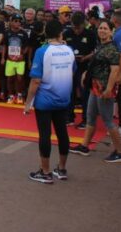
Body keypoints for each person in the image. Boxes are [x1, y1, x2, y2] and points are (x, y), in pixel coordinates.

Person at [24, 20, 76, 183]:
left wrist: (28, 102)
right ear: (60, 33)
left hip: (45, 100)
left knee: (45, 134)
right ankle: (61, 168)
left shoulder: (42, 51)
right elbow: (72, 72)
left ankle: (45, 172)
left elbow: (35, 81)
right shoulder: (69, 51)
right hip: (63, 98)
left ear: (46, 33)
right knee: (62, 133)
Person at [69, 19, 121, 163]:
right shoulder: (101, 46)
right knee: (90, 116)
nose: (102, 30)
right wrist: (86, 74)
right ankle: (84, 146)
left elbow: (115, 70)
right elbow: (95, 63)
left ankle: (120, 152)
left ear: (112, 31)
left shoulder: (112, 49)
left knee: (108, 120)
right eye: (100, 28)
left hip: (104, 88)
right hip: (95, 87)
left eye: (105, 29)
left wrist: (108, 89)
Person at [64, 11, 96, 127]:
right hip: (70, 68)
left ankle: (86, 119)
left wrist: (85, 57)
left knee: (85, 94)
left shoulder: (91, 34)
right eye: (74, 27)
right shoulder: (67, 33)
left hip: (85, 67)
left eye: (79, 28)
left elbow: (96, 51)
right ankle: (69, 117)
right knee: (69, 92)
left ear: (84, 24)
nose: (76, 30)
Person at [4, 13, 30, 104]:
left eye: (19, 21)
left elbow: (27, 47)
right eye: (15, 21)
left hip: (20, 60)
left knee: (20, 78)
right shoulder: (7, 32)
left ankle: (19, 94)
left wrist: (22, 54)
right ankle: (11, 96)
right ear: (11, 22)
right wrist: (4, 58)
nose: (17, 23)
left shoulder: (24, 33)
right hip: (9, 59)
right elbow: (5, 46)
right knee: (9, 78)